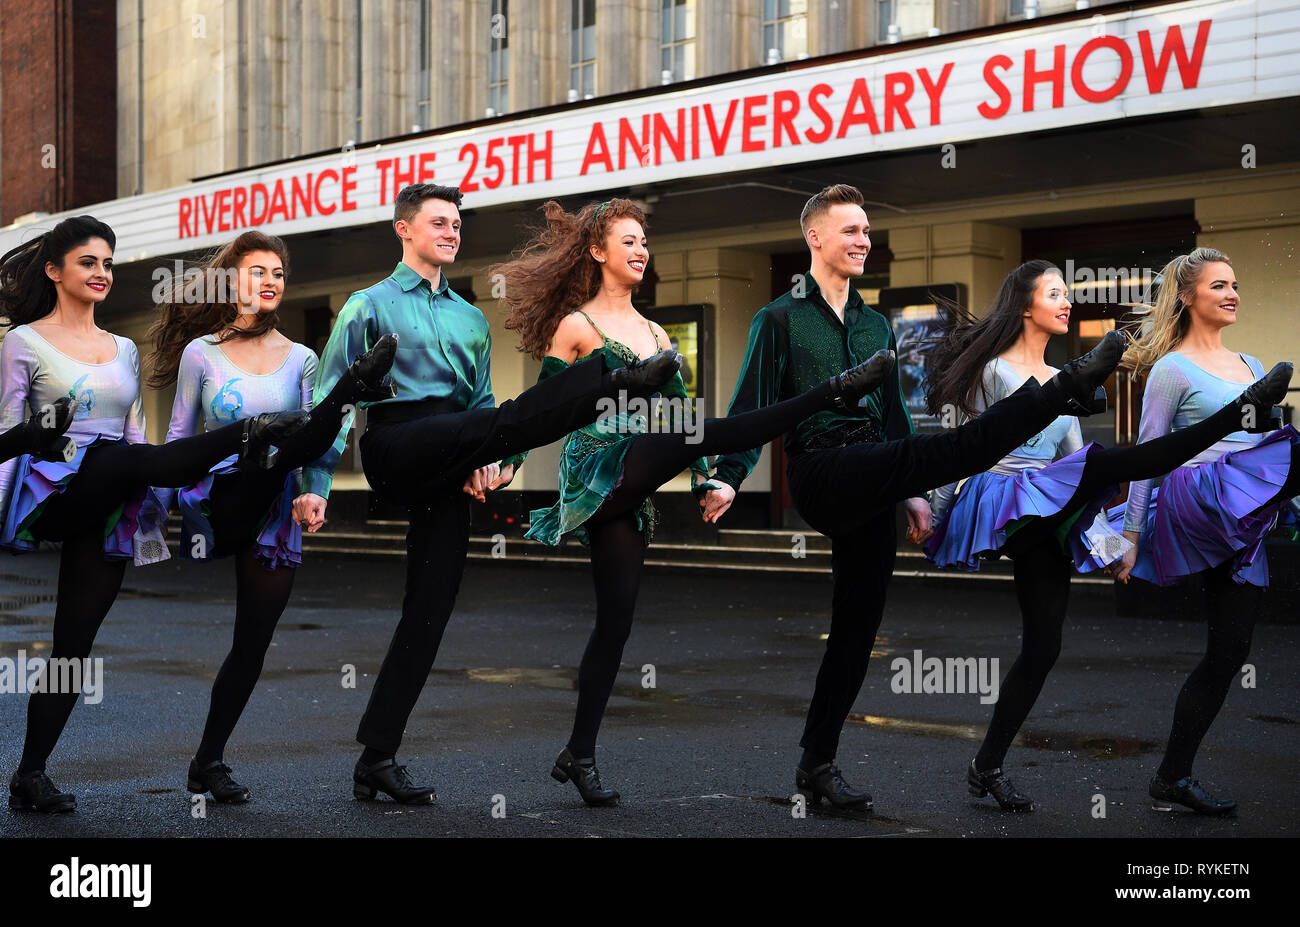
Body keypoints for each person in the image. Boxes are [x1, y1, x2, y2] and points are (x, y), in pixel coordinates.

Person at [699, 184, 1127, 811]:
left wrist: (915, 496)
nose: (863, 240)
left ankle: (816, 764)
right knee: (953, 450)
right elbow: (753, 407)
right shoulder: (778, 319)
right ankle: (1064, 389)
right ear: (815, 238)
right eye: (850, 230)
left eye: (867, 231)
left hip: (879, 474)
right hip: (821, 471)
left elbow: (895, 416)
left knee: (857, 626)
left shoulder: (874, 324)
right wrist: (729, 475)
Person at [493, 198, 894, 805]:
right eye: (627, 242)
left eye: (644, 243)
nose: (640, 251)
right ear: (598, 253)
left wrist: (708, 478)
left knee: (616, 623)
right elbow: (541, 410)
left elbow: (683, 417)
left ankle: (578, 753)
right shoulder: (576, 326)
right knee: (685, 430)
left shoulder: (657, 334)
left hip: (641, 479)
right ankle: (823, 397)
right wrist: (508, 462)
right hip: (598, 470)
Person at [295, 184, 682, 805]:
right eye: (439, 223)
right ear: (403, 229)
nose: (452, 232)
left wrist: (487, 459)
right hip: (396, 445)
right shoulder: (365, 306)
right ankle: (611, 381)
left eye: (457, 224)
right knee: (505, 418)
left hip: (456, 449)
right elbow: (334, 405)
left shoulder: (470, 317)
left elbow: (479, 409)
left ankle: (377, 756)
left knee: (431, 608)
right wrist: (315, 485)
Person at [921, 259, 1292, 811]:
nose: (1067, 302)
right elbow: (962, 451)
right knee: (1112, 464)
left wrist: (1113, 539)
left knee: (1044, 646)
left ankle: (987, 766)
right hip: (1008, 498)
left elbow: (1076, 466)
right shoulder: (996, 373)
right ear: (1025, 306)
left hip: (1053, 505)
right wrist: (934, 509)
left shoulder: (1060, 385)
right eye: (1055, 293)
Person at [1, 216, 309, 813]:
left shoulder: (121, 349)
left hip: (111, 494)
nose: (102, 273)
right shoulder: (24, 342)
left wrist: (147, 519)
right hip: (54, 489)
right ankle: (242, 435)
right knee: (120, 458)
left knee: (73, 644)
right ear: (53, 270)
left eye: (109, 263)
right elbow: (10, 430)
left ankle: (29, 773)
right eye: (89, 262)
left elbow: (139, 436)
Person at [142, 230, 399, 804]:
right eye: (258, 271)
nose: (270, 282)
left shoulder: (303, 358)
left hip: (277, 505)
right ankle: (353, 385)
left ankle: (207, 761)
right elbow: (181, 436)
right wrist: (151, 515)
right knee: (263, 450)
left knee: (252, 643)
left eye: (278, 274)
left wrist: (314, 491)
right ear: (232, 282)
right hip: (220, 499)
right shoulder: (201, 353)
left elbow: (312, 442)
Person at [1080, 247, 1299, 815]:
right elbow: (1149, 458)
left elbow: (1265, 443)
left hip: (1245, 519)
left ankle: (1171, 776)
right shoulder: (1173, 369)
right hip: (1196, 504)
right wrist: (1129, 537)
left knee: (1230, 652)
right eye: (1219, 285)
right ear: (1187, 296)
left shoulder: (1253, 365)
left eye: (1236, 284)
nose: (1232, 293)